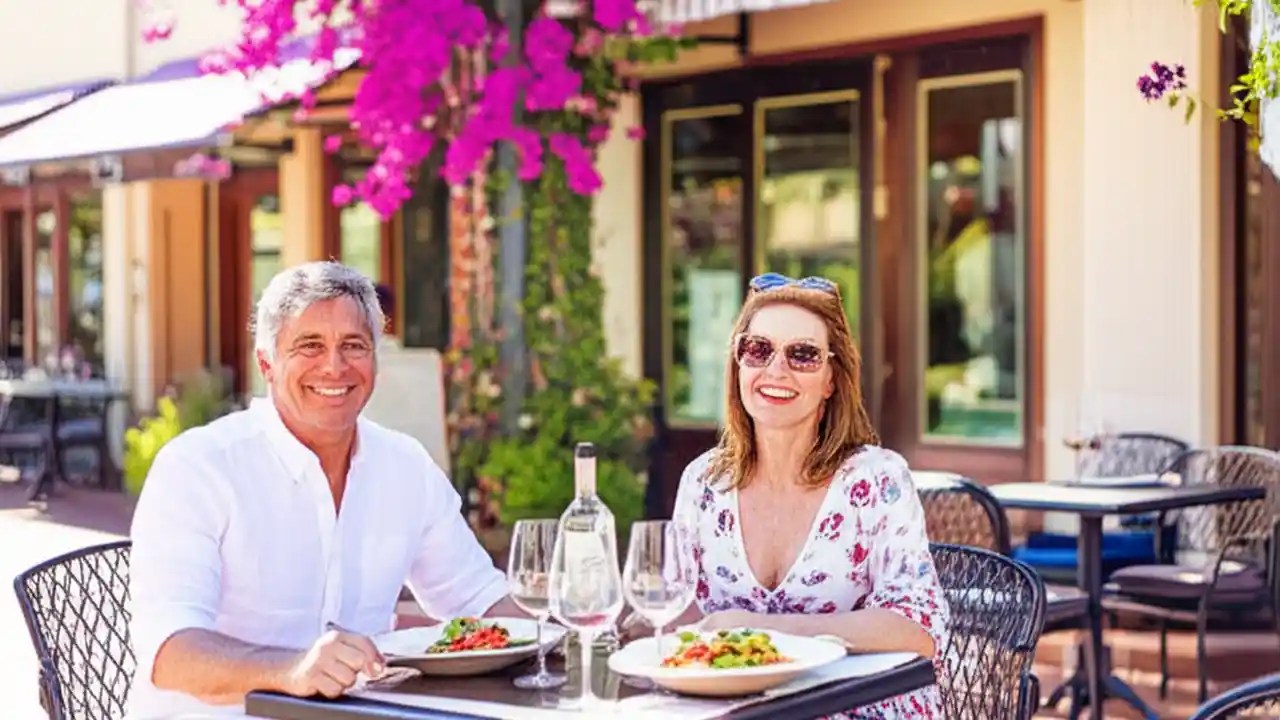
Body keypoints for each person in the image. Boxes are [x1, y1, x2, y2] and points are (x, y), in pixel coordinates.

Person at [126, 261, 523, 719]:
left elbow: (482, 601)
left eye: (353, 345)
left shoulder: (406, 466)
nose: (334, 366)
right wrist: (290, 669)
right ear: (266, 363)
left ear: (375, 359)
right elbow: (171, 654)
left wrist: (584, 630)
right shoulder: (199, 467)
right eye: (309, 346)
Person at [664, 272, 950, 718]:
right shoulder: (703, 483)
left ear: (832, 381)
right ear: (738, 362)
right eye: (758, 349)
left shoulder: (876, 479)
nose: (775, 370)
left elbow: (919, 626)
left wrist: (761, 629)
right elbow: (675, 617)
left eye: (802, 355)